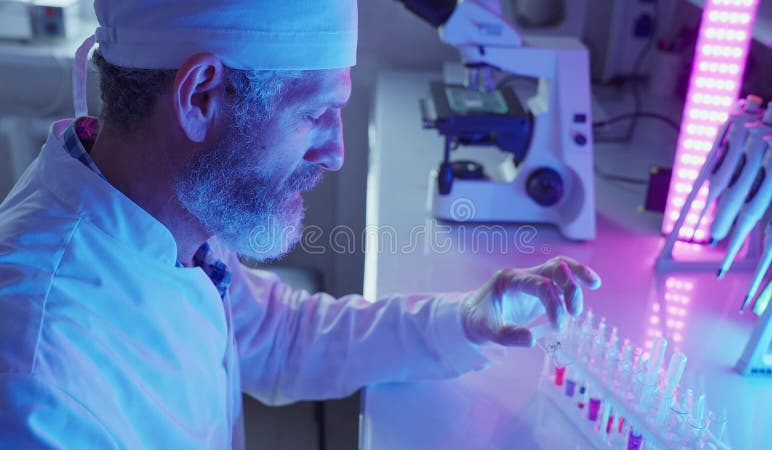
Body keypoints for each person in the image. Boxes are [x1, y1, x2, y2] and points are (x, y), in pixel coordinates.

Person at [0, 0, 601, 448]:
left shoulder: (166, 211)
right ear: (200, 97)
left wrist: (467, 321)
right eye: (315, 113)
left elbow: (279, 336)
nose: (335, 151)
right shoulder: (43, 386)